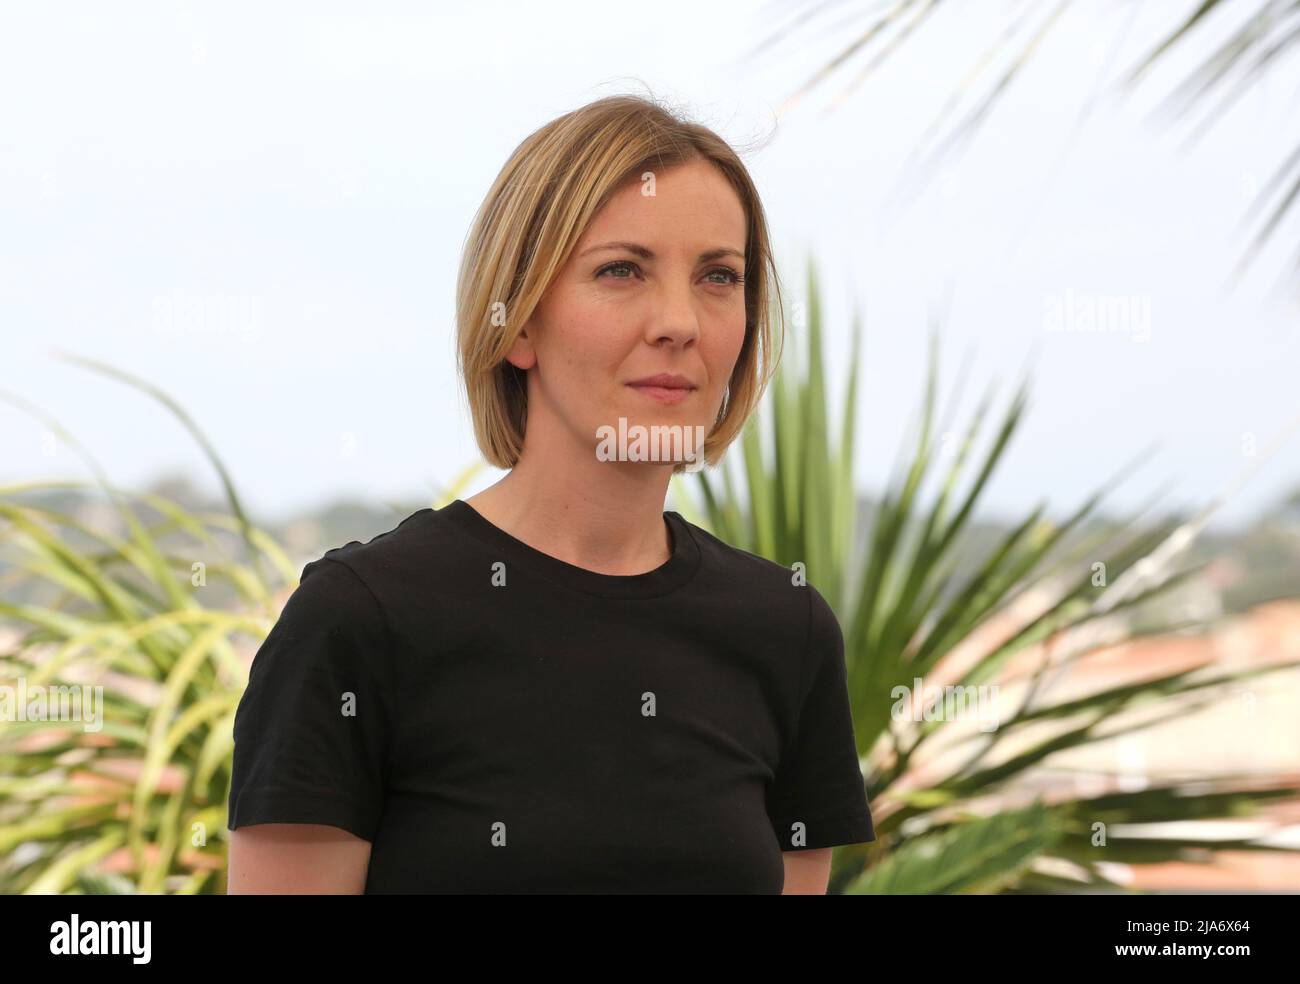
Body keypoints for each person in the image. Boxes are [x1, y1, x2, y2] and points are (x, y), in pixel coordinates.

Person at [226, 93, 875, 894]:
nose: (679, 321)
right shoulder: (360, 623)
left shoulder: (788, 632)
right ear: (519, 321)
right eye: (621, 270)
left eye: (719, 276)